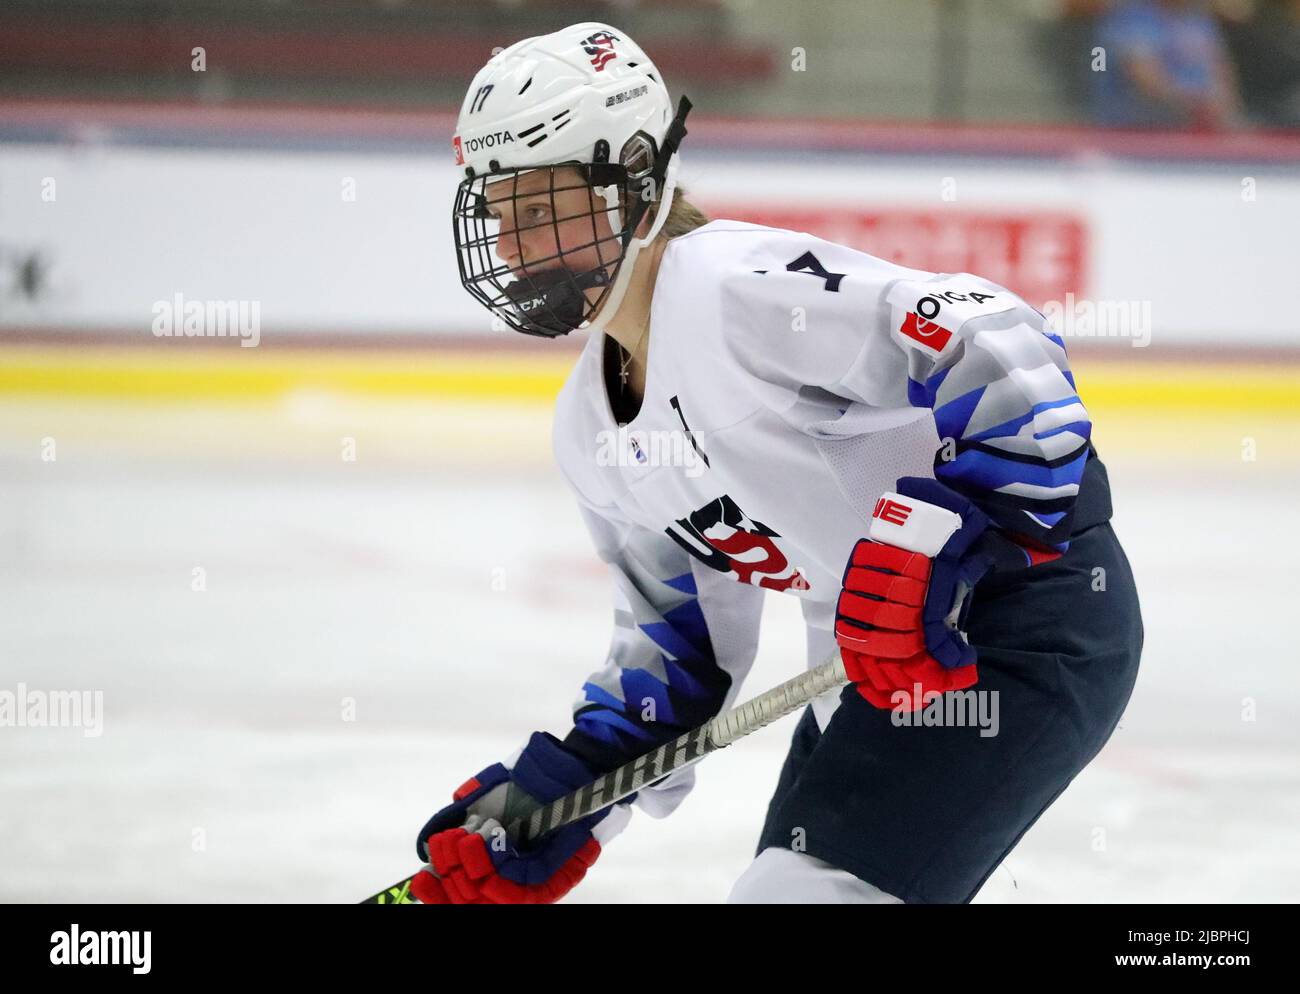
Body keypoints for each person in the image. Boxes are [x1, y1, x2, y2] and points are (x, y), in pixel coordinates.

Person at [412, 21, 1143, 904]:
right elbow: (677, 652)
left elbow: (991, 336)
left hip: (1021, 624)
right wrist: (561, 795)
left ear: (634, 178)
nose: (515, 242)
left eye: (540, 209)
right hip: (870, 660)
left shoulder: (736, 290)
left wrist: (938, 538)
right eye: (498, 212)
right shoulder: (589, 432)